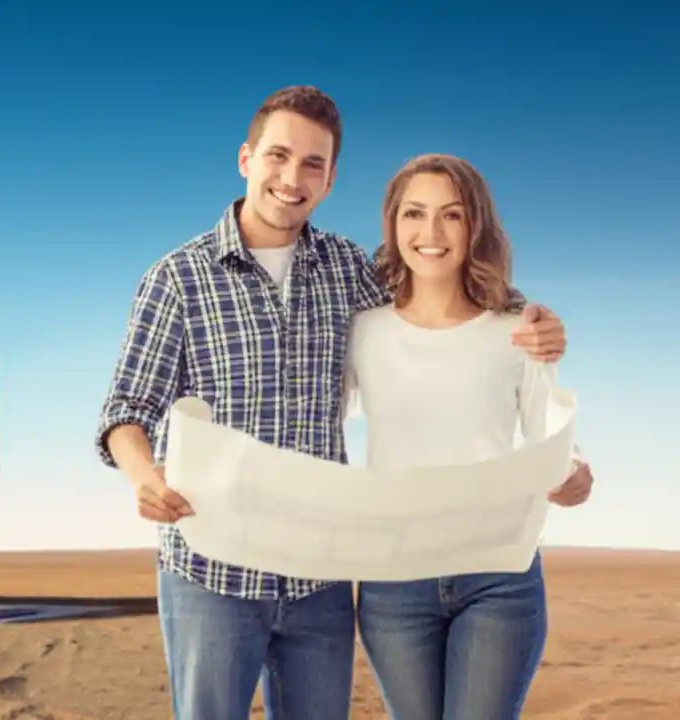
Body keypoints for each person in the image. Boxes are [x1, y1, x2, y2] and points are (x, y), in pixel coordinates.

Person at [94, 85, 569, 719]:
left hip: (319, 574)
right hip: (212, 568)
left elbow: (440, 295)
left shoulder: (351, 270)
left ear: (331, 178)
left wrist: (534, 322)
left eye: (312, 164)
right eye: (278, 157)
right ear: (246, 158)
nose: (292, 179)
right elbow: (126, 408)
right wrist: (144, 475)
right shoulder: (177, 278)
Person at [344, 153, 593, 720]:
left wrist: (572, 470)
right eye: (415, 214)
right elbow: (310, 419)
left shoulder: (518, 330)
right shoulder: (362, 332)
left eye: (451, 216)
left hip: (498, 577)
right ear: (393, 223)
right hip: (394, 580)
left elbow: (548, 430)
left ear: (474, 225)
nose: (430, 233)